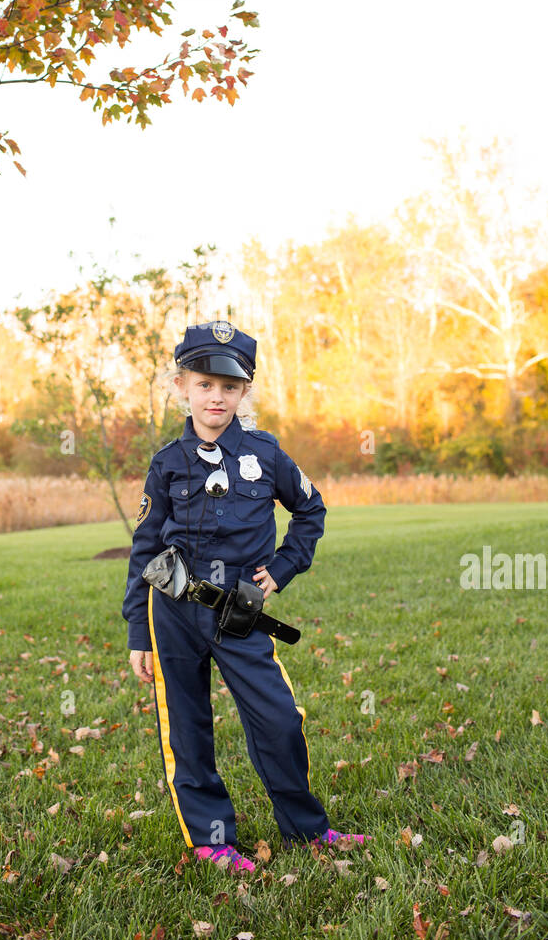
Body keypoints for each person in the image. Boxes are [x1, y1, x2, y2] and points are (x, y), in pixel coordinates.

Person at [122, 320, 372, 874]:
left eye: (229, 387)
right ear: (182, 388)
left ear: (244, 392)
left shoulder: (266, 453)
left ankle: (307, 830)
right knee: (188, 728)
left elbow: (311, 510)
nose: (217, 397)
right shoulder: (166, 463)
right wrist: (140, 631)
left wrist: (282, 569)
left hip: (240, 611)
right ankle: (213, 840)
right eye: (205, 384)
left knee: (278, 717)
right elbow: (143, 550)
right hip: (175, 609)